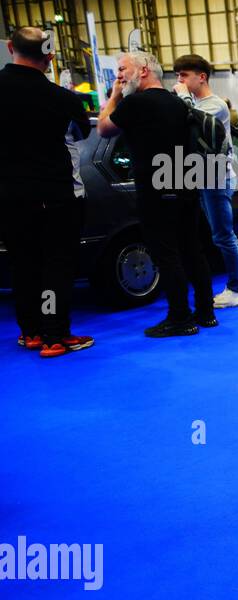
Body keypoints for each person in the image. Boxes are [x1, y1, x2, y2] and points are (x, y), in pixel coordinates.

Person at [98, 50, 215, 337]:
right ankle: (205, 312)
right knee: (192, 250)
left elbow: (103, 128)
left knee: (167, 253)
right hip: (186, 184)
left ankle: (180, 318)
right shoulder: (178, 103)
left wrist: (115, 95)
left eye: (123, 69)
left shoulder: (135, 102)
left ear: (144, 70)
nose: (120, 76)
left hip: (155, 188)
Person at [0, 26, 94, 356]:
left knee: (22, 264)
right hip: (55, 198)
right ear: (50, 57)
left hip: (9, 197)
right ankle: (55, 335)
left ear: (10, 47)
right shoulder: (64, 99)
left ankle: (30, 332)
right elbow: (81, 135)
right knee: (55, 267)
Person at [172, 53, 238, 308]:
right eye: (178, 76)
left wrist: (182, 95)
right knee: (224, 235)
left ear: (201, 77)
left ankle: (237, 288)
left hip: (215, 176)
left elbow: (190, 118)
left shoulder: (215, 104)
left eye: (184, 75)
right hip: (210, 175)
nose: (180, 81)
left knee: (223, 235)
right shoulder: (205, 102)